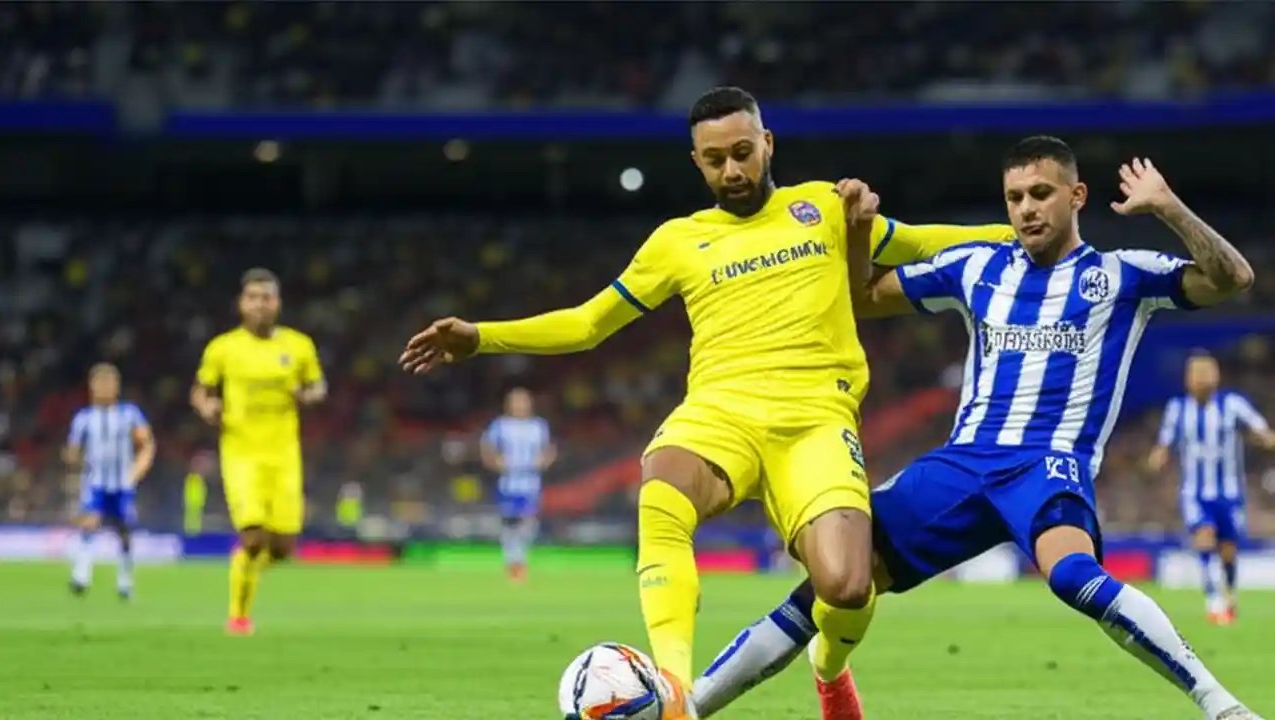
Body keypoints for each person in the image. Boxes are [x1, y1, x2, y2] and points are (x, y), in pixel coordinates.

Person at [399, 86, 1014, 718]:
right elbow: (589, 323)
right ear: (697, 162)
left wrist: (1028, 234)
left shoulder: (822, 207)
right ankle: (672, 689)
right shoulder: (676, 241)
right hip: (719, 412)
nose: (732, 170)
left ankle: (829, 667)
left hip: (815, 423)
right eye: (715, 159)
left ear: (767, 144)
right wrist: (482, 337)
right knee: (661, 487)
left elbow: (924, 241)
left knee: (849, 586)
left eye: (743, 153)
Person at [690, 137, 1263, 720]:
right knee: (835, 584)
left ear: (1076, 196)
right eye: (1014, 197)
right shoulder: (978, 266)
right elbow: (863, 296)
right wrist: (860, 232)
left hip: (1045, 465)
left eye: (1041, 194)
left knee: (1072, 575)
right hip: (961, 464)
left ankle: (1220, 704)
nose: (1026, 209)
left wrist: (1167, 206)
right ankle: (687, 705)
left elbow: (1232, 277)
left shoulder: (1122, 277)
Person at [191, 268, 326, 636]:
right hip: (241, 453)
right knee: (253, 536)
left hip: (284, 455)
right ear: (241, 303)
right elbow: (201, 390)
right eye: (252, 298)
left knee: (283, 547)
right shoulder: (223, 348)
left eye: (266, 298)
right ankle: (238, 615)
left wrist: (307, 396)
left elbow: (318, 387)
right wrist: (207, 408)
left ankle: (243, 568)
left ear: (277, 303)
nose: (259, 305)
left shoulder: (298, 346)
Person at [1148, 351, 1275, 625]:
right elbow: (1165, 441)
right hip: (1195, 492)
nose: (1203, 378)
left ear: (1217, 376)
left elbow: (1258, 428)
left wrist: (1265, 438)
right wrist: (1159, 455)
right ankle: (1214, 602)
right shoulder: (1177, 409)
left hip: (1230, 494)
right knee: (1204, 537)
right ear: (1188, 379)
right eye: (1198, 373)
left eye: (1208, 372)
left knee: (1228, 550)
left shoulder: (1232, 404)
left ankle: (1229, 594)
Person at [63, 363, 155, 600]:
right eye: (99, 383)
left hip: (122, 484)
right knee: (89, 523)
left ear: (117, 386)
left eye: (109, 383)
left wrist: (137, 470)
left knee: (123, 530)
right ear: (91, 387)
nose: (104, 388)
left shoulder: (129, 414)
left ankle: (125, 579)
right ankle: (81, 574)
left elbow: (147, 444)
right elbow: (72, 451)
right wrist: (73, 463)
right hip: (95, 482)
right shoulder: (83, 418)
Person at [480, 387, 556, 583]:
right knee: (509, 524)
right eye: (516, 401)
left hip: (530, 483)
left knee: (529, 524)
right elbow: (487, 448)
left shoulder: (539, 426)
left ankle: (518, 559)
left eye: (523, 401)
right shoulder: (500, 425)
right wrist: (496, 463)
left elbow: (549, 450)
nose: (520, 405)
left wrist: (544, 461)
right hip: (508, 484)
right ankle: (514, 564)